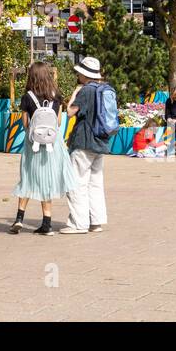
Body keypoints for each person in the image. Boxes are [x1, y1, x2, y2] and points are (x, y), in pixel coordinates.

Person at [9, 62, 77, 236]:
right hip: (53, 146)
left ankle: (18, 219)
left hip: (33, 146)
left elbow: (25, 124)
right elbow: (59, 122)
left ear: (31, 76)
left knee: (27, 178)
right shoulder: (57, 96)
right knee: (46, 181)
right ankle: (47, 224)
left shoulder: (27, 97)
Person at [60, 56, 111, 235]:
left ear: (84, 74)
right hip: (100, 141)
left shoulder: (86, 90)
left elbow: (70, 112)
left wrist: (75, 93)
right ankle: (96, 221)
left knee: (77, 182)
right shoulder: (106, 88)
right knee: (95, 183)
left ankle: (78, 223)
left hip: (84, 142)